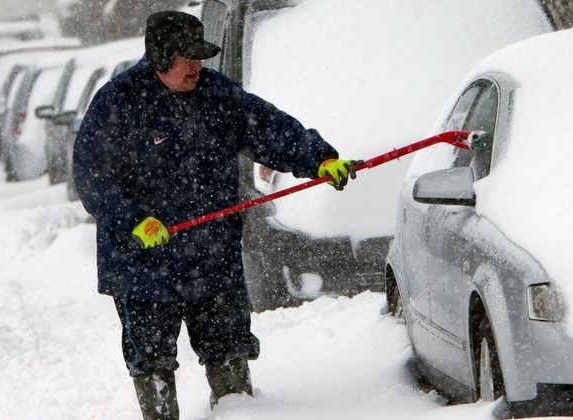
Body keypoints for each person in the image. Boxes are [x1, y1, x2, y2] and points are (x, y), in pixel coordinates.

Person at [73, 11, 360, 419]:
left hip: (211, 256)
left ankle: (236, 410)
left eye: (200, 57)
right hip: (143, 264)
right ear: (159, 58)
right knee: (151, 359)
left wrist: (319, 159)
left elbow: (269, 129)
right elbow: (92, 176)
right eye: (186, 58)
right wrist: (134, 219)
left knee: (228, 348)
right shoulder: (118, 102)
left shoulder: (215, 95)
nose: (196, 67)